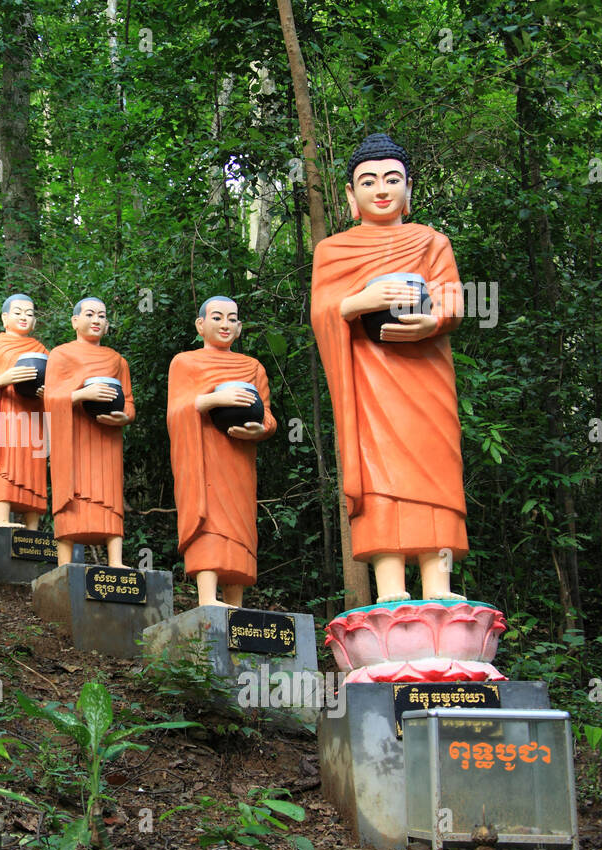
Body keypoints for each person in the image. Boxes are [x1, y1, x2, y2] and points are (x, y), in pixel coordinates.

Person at [310, 133, 467, 604]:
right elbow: (323, 311)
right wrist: (361, 301)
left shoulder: (432, 241)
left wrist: (432, 320)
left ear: (409, 188)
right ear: (350, 196)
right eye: (368, 180)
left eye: (392, 179)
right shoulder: (333, 250)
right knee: (381, 474)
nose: (382, 189)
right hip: (371, 379)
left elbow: (453, 297)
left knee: (435, 467)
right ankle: (390, 588)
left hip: (426, 374)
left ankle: (439, 586)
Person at [167, 296, 277, 607]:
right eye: (217, 317)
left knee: (239, 524)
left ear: (240, 327)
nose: (225, 324)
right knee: (210, 519)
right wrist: (214, 400)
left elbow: (267, 414)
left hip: (238, 457)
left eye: (232, 318)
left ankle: (235, 602)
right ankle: (207, 597)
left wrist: (262, 428)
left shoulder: (252, 367)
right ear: (200, 325)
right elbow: (176, 411)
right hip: (202, 456)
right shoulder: (185, 362)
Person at [44, 297, 135, 567]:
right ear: (75, 321)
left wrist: (123, 416)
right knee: (72, 492)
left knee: (110, 495)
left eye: (102, 316)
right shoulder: (61, 354)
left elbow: (129, 402)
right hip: (74, 436)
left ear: (107, 325)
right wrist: (82, 394)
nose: (96, 320)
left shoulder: (117, 361)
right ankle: (64, 563)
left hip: (106, 437)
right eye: (90, 314)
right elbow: (50, 398)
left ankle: (116, 562)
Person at [0, 294, 48, 529]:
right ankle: (1, 518)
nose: (24, 317)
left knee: (34, 468)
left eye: (29, 313)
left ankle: (33, 527)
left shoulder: (43, 351)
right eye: (18, 312)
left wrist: (46, 394)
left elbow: (55, 387)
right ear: (4, 317)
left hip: (33, 419)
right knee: (6, 465)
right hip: (5, 415)